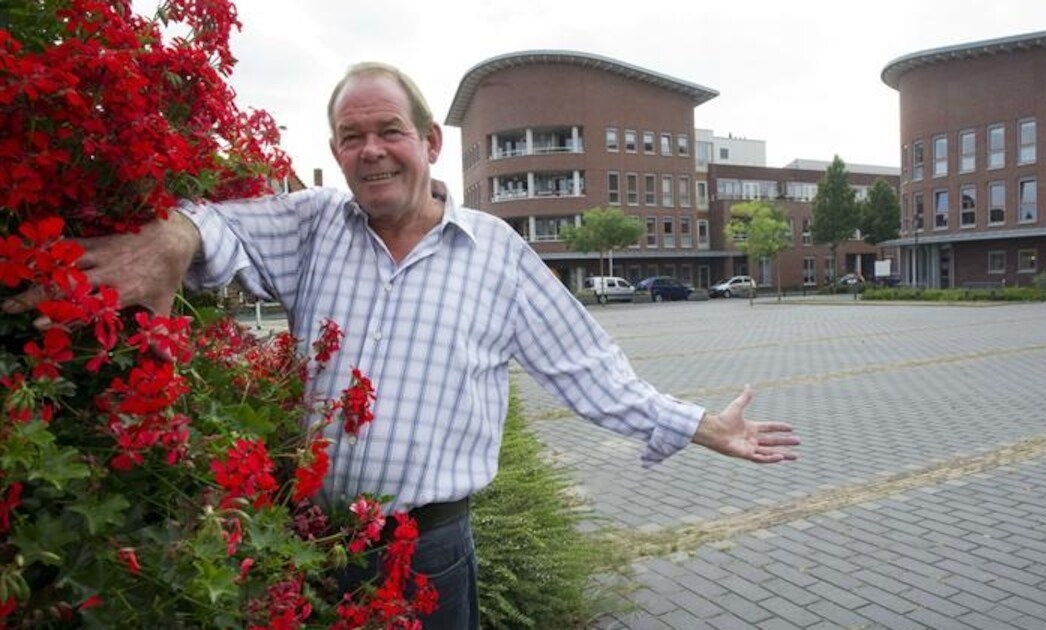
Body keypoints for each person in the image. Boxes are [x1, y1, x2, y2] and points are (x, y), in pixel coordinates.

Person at [4, 62, 799, 629]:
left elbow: (591, 370)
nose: (371, 149)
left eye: (389, 131)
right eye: (351, 136)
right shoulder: (314, 223)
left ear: (429, 142)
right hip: (308, 540)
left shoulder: (495, 253)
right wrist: (172, 240)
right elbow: (218, 224)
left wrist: (701, 425)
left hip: (428, 549)